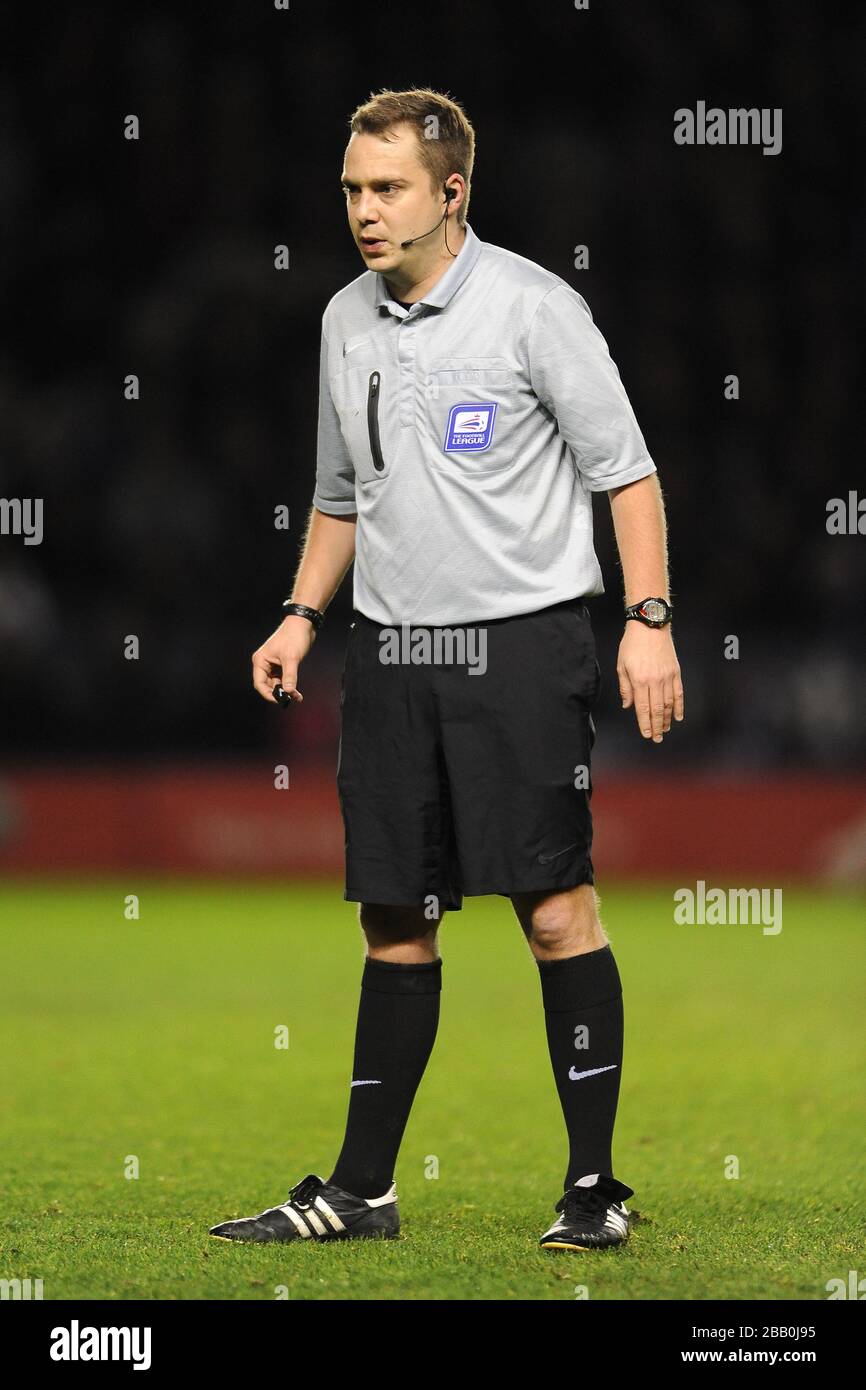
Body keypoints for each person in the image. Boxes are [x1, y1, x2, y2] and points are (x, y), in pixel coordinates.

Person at [210, 86, 684, 1251]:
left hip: (522, 647)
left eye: (387, 190)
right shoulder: (342, 321)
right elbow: (338, 497)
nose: (364, 213)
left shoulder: (533, 307)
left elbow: (625, 473)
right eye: (351, 191)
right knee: (392, 921)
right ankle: (361, 1191)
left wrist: (649, 618)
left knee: (555, 910)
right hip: (387, 656)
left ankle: (592, 1190)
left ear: (450, 192)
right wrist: (296, 616)